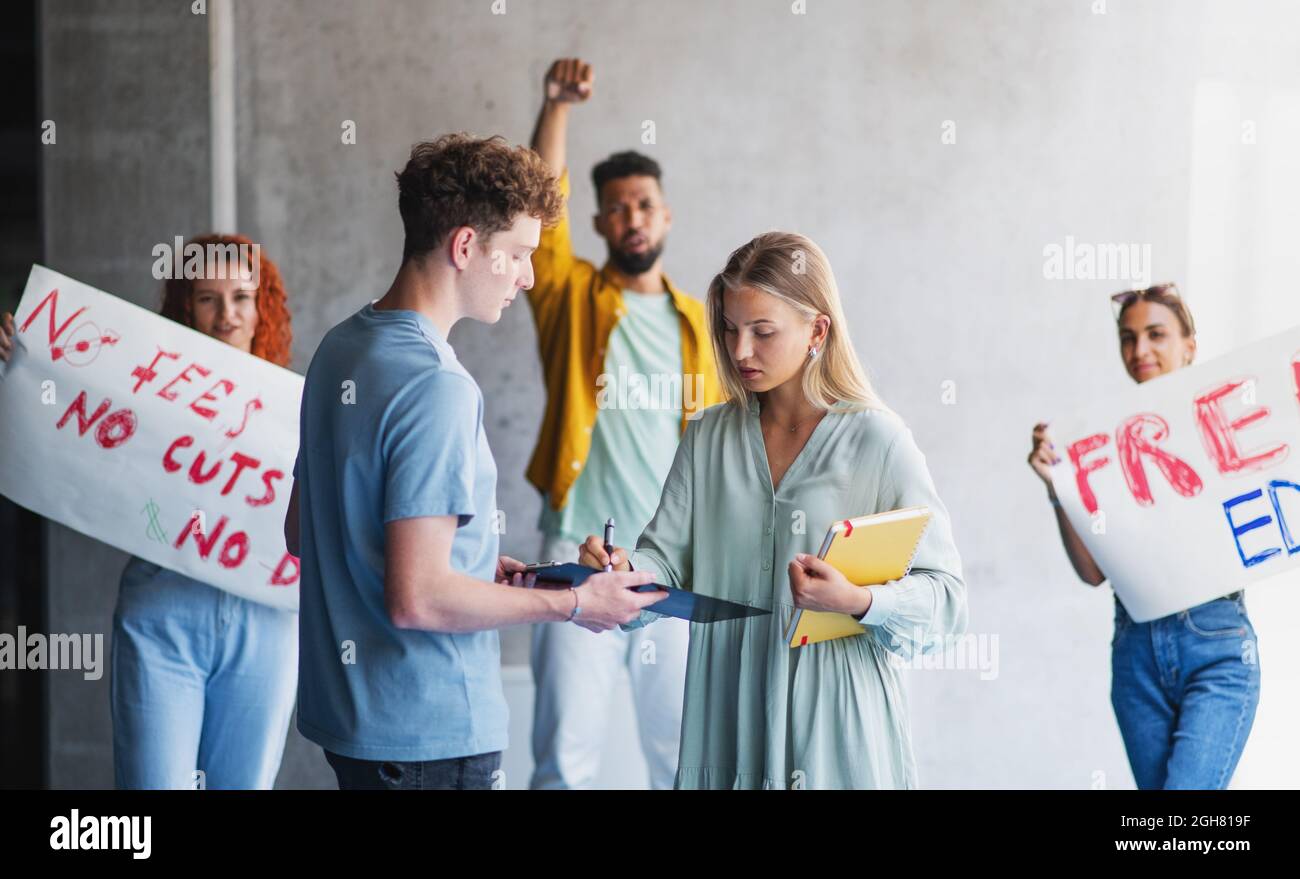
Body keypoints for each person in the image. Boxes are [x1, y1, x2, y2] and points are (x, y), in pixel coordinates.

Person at [284, 133, 666, 791]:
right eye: (518, 253)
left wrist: (471, 565)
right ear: (465, 247)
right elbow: (418, 596)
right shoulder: (439, 385)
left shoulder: (340, 350)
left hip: (353, 728)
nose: (529, 275)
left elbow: (305, 531)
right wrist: (576, 602)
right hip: (432, 737)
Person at [579, 232, 967, 789]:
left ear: (817, 330)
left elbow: (947, 604)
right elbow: (663, 563)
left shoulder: (878, 440)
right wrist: (621, 570)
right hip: (727, 711)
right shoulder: (705, 437)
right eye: (730, 330)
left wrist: (859, 602)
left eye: (762, 332)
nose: (739, 352)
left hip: (838, 726)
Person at [3, 233, 299, 789]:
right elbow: (61, 415)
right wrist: (15, 363)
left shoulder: (296, 408)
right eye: (208, 298)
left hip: (268, 618)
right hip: (163, 610)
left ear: (264, 308)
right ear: (185, 305)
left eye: (241, 296)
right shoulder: (139, 390)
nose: (227, 315)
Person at [523, 57, 722, 789]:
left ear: (665, 215)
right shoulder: (570, 297)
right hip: (578, 548)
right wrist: (556, 108)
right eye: (616, 206)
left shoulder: (700, 322)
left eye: (644, 204)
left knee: (681, 757)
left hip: (669, 566)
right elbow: (541, 221)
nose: (631, 217)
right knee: (564, 758)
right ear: (601, 220)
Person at [1028, 283, 1260, 790]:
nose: (1141, 351)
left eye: (1156, 335)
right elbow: (1092, 573)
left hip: (1217, 646)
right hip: (1136, 653)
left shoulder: (1223, 423)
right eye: (1128, 338)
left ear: (1189, 345)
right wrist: (1057, 489)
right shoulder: (1101, 443)